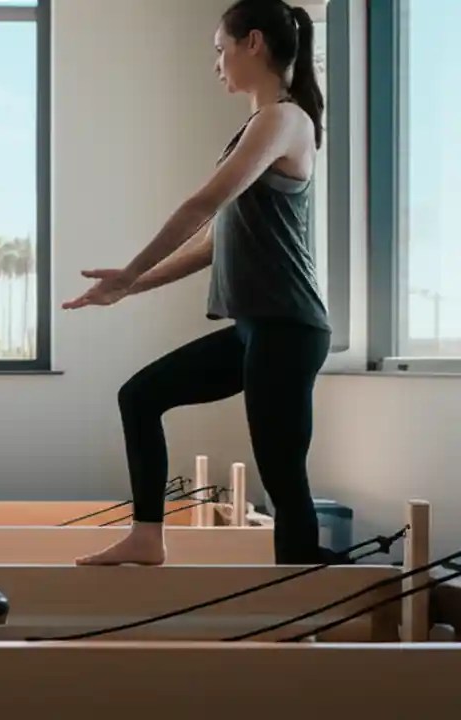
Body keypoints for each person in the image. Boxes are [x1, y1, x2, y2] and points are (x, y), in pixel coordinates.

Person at [63, 0, 332, 566]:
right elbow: (215, 242)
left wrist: (132, 269)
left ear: (252, 43)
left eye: (220, 49)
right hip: (254, 330)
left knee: (284, 480)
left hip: (288, 329)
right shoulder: (258, 129)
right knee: (140, 397)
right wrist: (129, 286)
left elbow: (203, 204)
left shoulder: (284, 120)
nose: (217, 63)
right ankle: (146, 537)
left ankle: (304, 622)